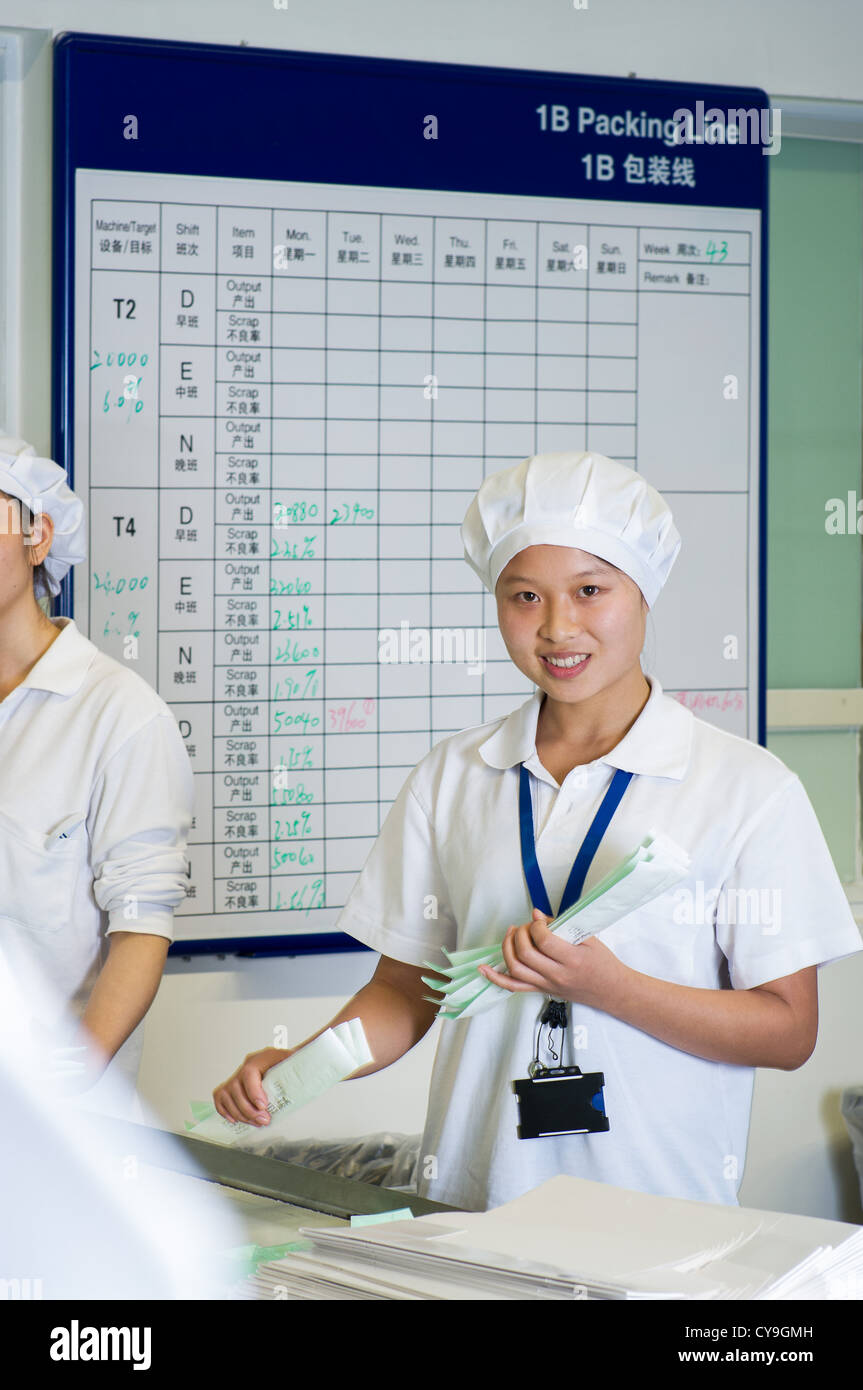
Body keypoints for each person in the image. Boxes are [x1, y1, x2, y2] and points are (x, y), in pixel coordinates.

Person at [213, 450, 863, 1211]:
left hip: (657, 1223)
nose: (557, 627)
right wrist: (303, 1065)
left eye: (590, 590)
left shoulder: (745, 790)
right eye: (524, 597)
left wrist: (610, 988)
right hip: (472, 1206)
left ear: (644, 593)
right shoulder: (453, 776)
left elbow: (786, 1033)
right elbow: (405, 989)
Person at [0, 434, 194, 1110]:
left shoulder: (119, 715)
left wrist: (65, 1087)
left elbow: (141, 927)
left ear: (37, 534)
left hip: (53, 1122)